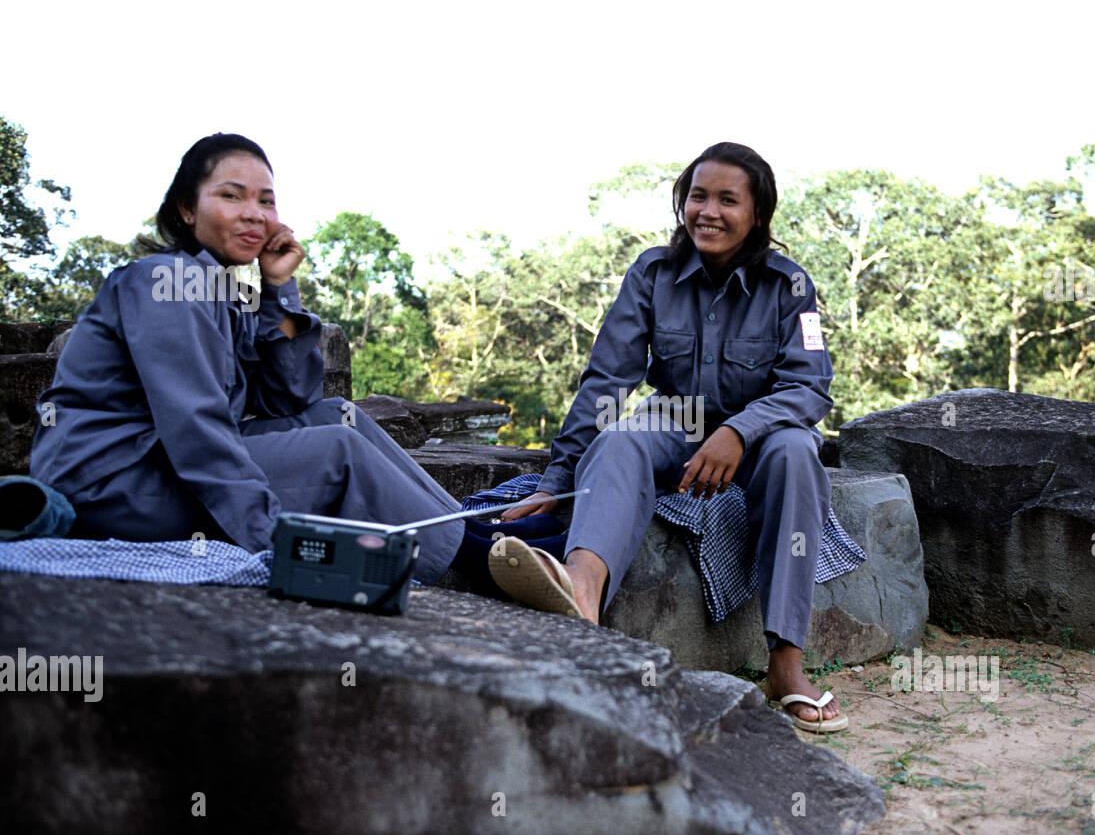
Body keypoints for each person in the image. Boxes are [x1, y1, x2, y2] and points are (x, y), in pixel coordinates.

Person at [30, 133, 562, 595]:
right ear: (187, 210)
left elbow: (289, 401)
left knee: (335, 415)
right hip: (114, 481)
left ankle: (474, 532)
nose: (254, 213)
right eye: (230, 196)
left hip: (159, 469)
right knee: (337, 449)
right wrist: (276, 545)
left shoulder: (223, 295)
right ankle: (471, 563)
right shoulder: (163, 283)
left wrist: (280, 290)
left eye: (265, 200)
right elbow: (196, 430)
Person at [491, 142, 845, 733]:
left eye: (727, 200)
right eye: (697, 196)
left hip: (760, 430)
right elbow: (608, 380)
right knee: (619, 439)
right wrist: (557, 480)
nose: (707, 211)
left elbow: (809, 390)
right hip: (676, 418)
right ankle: (581, 600)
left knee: (796, 450)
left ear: (758, 214)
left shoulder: (791, 287)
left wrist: (738, 430)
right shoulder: (652, 273)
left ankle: (785, 664)